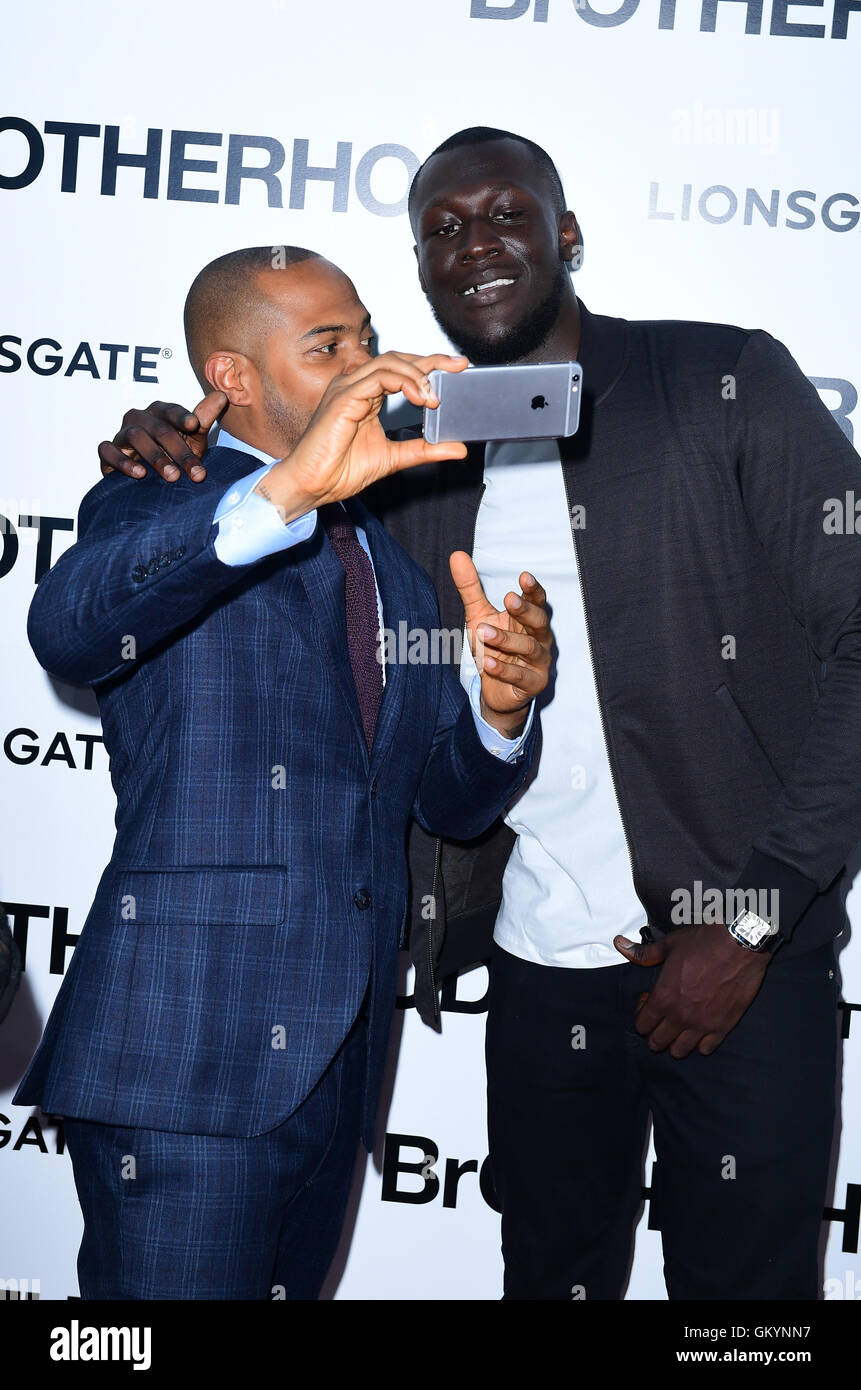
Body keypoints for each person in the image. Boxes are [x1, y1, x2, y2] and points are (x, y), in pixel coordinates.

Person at [95, 127, 857, 1302]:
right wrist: (187, 453)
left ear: (567, 234)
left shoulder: (722, 379)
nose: (475, 243)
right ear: (420, 270)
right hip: (538, 968)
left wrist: (751, 918)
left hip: (740, 962)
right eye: (440, 230)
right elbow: (272, 553)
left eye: (505, 212)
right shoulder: (400, 456)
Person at [12, 244, 553, 1300]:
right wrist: (285, 491)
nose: (367, 366)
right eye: (327, 348)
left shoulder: (392, 567)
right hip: (184, 1064)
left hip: (338, 1074)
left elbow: (442, 800)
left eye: (363, 336)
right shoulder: (156, 501)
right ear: (233, 377)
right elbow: (69, 628)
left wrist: (498, 711)